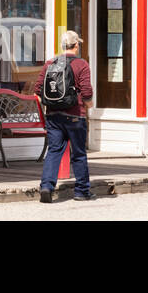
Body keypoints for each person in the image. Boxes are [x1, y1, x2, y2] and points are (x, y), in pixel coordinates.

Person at [35, 30, 94, 203]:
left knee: (53, 151)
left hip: (53, 115)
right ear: (76, 45)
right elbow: (87, 91)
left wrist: (49, 106)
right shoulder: (81, 64)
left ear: (62, 46)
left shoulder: (50, 63)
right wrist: (87, 106)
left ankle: (46, 186)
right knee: (79, 154)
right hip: (75, 115)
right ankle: (82, 191)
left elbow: (38, 89)